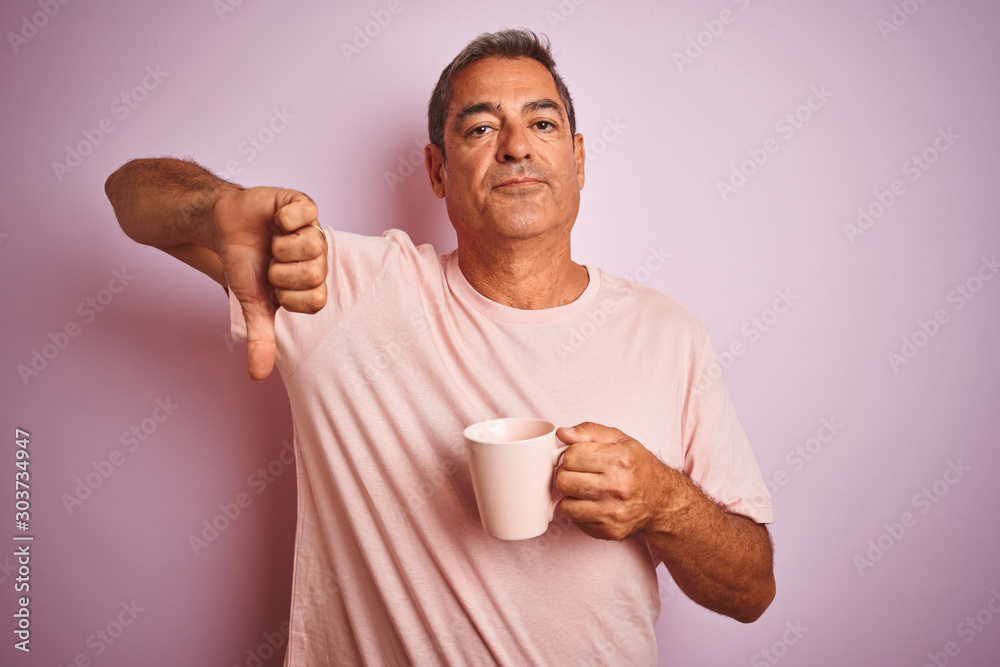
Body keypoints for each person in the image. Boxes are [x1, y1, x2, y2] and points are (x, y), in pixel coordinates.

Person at [106, 29, 774, 666]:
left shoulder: (669, 333)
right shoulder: (345, 291)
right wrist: (217, 207)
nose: (515, 146)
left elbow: (752, 589)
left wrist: (665, 501)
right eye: (481, 127)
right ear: (436, 169)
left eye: (541, 124)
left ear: (578, 160)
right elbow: (130, 194)